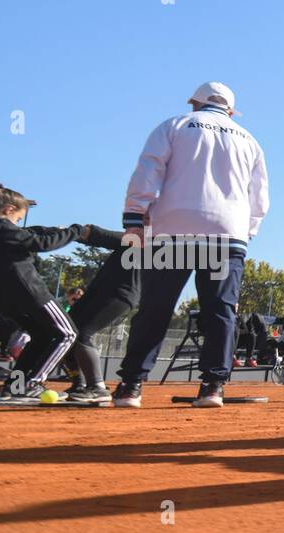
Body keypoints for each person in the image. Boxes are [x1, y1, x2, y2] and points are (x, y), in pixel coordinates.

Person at [112, 81, 270, 408]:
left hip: (174, 230)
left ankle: (131, 386)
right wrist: (247, 231)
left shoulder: (174, 126)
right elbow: (260, 199)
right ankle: (213, 386)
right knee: (220, 311)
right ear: (230, 110)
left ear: (194, 103)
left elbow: (148, 170)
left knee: (156, 306)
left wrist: (133, 216)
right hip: (227, 235)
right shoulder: (249, 140)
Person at [0, 183, 83, 400]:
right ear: (8, 210)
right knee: (67, 333)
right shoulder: (0, 227)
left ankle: (15, 387)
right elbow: (40, 243)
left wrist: (47, 229)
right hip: (28, 290)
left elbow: (23, 235)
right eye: (18, 219)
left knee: (40, 336)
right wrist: (74, 231)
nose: (17, 224)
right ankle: (33, 383)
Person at [60, 224, 140, 401]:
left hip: (120, 295)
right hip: (99, 292)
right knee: (63, 332)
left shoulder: (146, 240)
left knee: (80, 333)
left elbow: (105, 236)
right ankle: (79, 385)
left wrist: (75, 231)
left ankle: (97, 388)